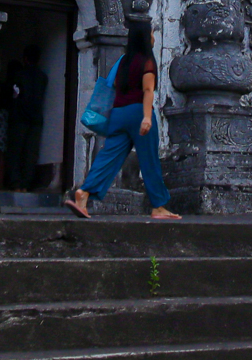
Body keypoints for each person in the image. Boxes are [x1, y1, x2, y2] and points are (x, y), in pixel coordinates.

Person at [65, 23, 179, 220]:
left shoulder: (123, 61)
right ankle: (159, 206)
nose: (153, 36)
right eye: (151, 32)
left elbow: (116, 85)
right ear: (145, 37)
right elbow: (148, 90)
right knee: (149, 159)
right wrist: (145, 117)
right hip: (138, 112)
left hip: (118, 114)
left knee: (108, 156)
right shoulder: (147, 60)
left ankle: (84, 193)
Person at [6, 45, 48, 191]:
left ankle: (16, 183)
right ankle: (26, 184)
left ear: (25, 59)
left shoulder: (18, 76)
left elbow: (14, 96)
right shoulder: (43, 77)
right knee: (31, 153)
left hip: (19, 119)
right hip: (36, 120)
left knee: (15, 152)